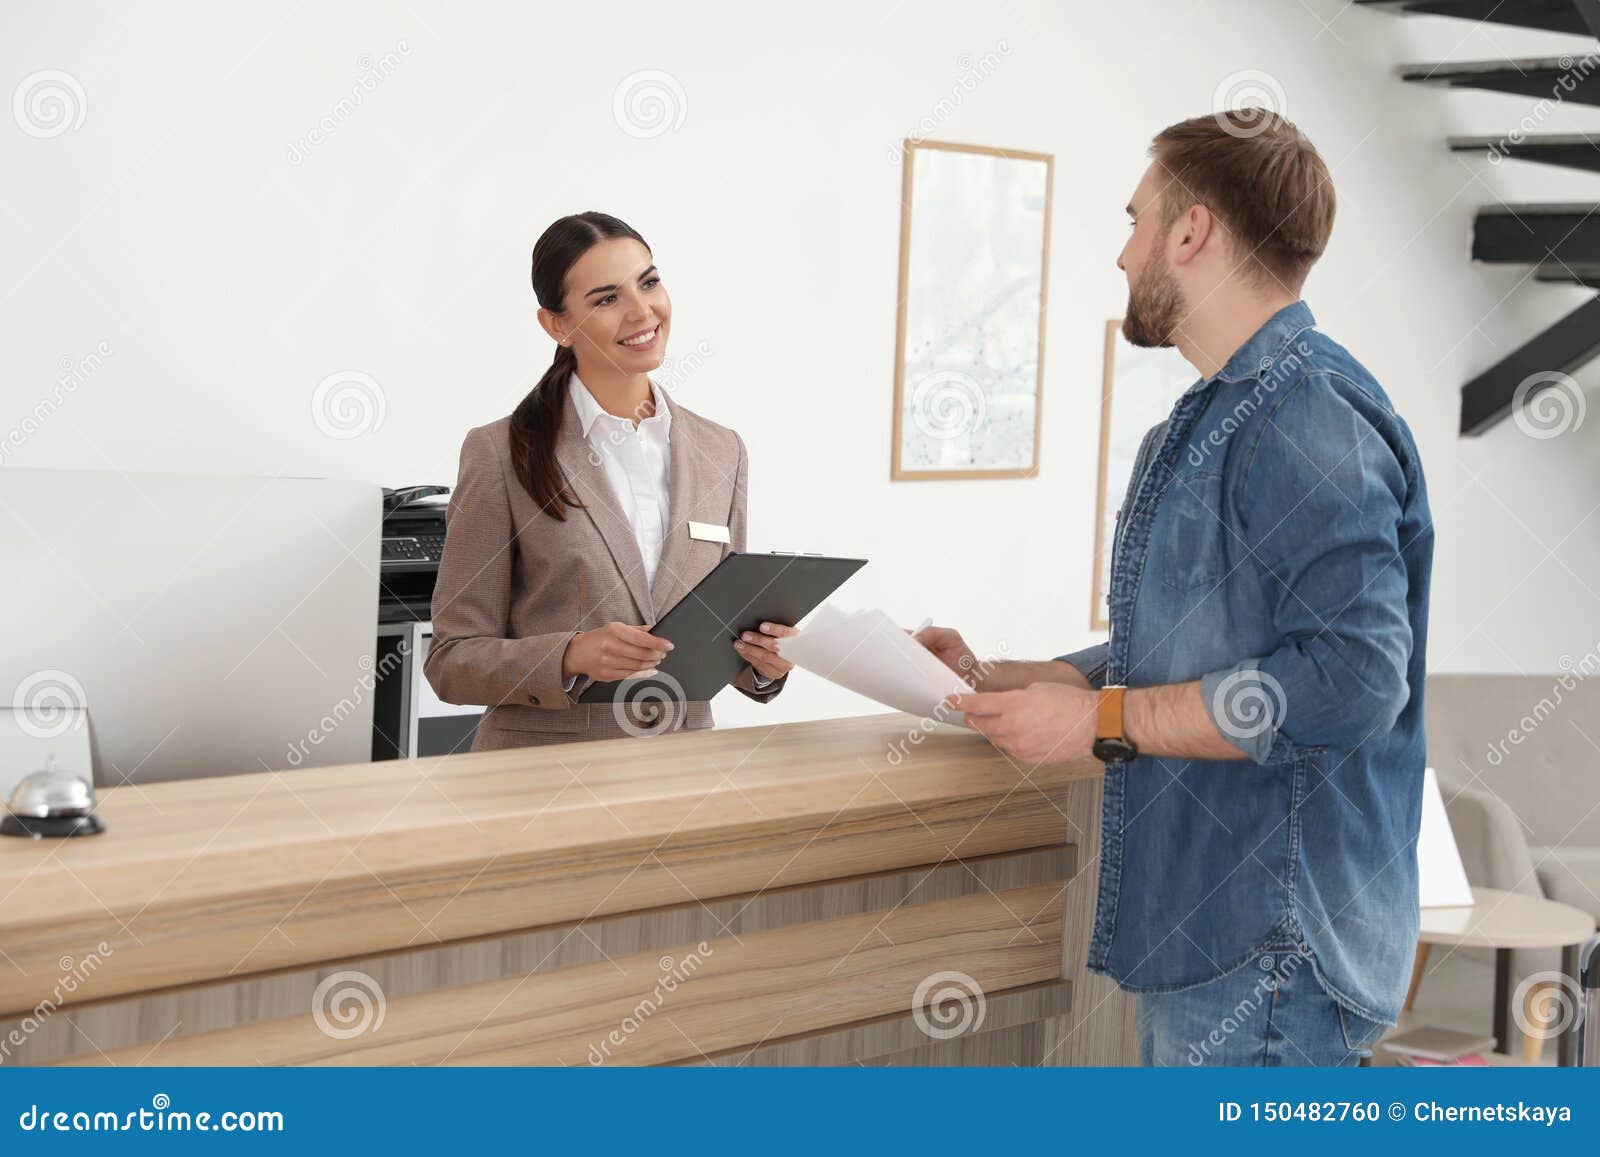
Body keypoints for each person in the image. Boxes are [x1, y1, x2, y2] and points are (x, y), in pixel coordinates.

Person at [917, 111, 1433, 1066]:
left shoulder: (1307, 416)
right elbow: (1203, 642)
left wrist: (1104, 719)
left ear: (1192, 231)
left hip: (1272, 946)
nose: (1121, 255)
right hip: (1217, 937)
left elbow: (1354, 678)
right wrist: (1020, 676)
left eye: (1135, 220)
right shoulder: (1209, 420)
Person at [425, 211, 792, 749]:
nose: (642, 311)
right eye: (606, 299)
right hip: (541, 775)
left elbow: (722, 636)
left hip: (683, 770)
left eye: (649, 282)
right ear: (557, 325)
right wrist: (570, 655)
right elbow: (451, 660)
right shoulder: (500, 453)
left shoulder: (721, 450)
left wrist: (765, 663)